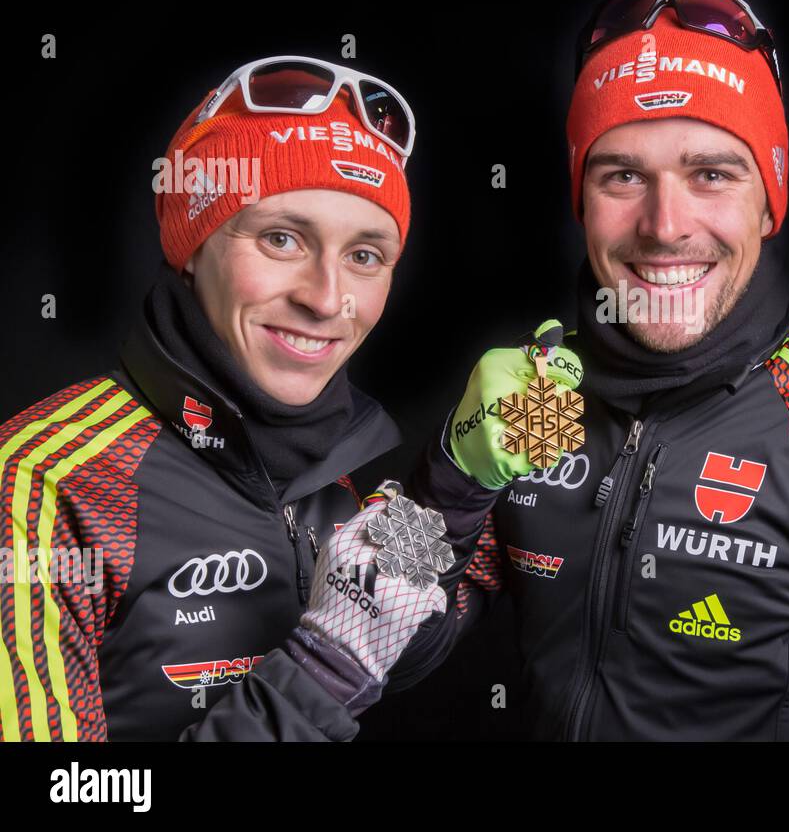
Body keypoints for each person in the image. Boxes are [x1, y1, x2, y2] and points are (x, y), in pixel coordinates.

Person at [398, 0, 789, 740]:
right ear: (580, 199)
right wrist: (448, 479)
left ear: (769, 200)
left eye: (710, 174)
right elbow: (392, 654)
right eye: (623, 176)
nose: (665, 225)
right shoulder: (533, 393)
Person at [0, 57, 467, 740]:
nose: (324, 297)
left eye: (365, 256)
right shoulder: (40, 485)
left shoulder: (325, 476)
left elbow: (392, 662)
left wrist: (460, 485)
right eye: (281, 238)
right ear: (192, 244)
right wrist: (318, 677)